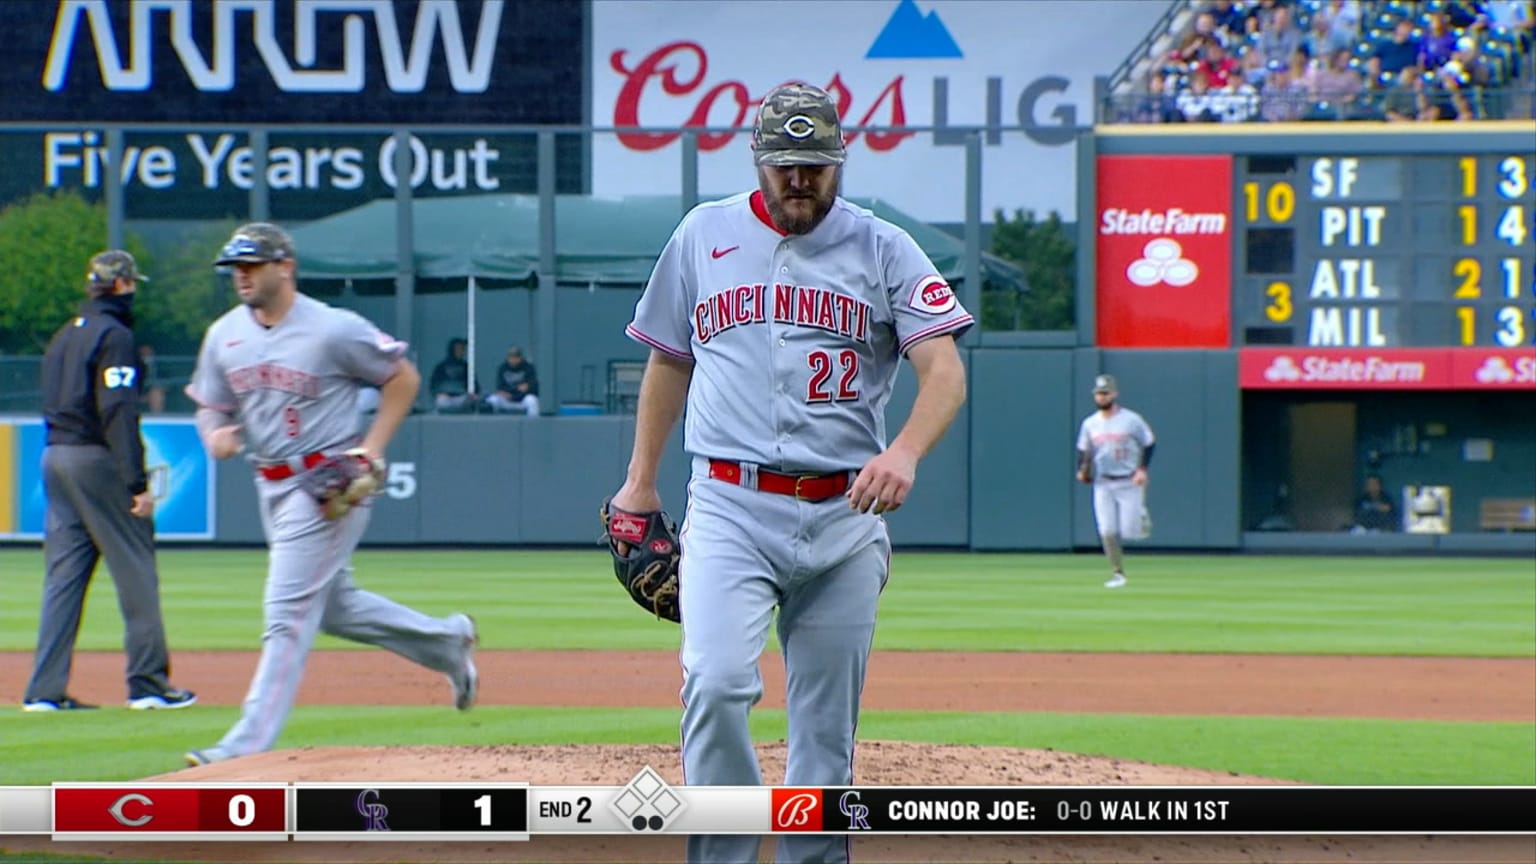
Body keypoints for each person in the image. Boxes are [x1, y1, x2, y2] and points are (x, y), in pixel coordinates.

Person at [607, 83, 972, 864]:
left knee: (823, 722)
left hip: (845, 514)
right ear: (758, 161)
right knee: (713, 681)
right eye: (784, 165)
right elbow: (668, 361)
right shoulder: (703, 236)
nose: (799, 179)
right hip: (732, 506)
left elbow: (943, 369)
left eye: (814, 164)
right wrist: (640, 481)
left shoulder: (884, 247)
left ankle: (812, 859)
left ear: (838, 162)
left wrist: (903, 449)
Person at [181, 223, 478, 766]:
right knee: (336, 608)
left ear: (285, 267)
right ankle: (447, 643)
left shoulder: (331, 329)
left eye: (252, 264)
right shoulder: (224, 334)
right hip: (269, 481)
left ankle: (242, 746)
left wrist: (372, 449)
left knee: (286, 611)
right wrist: (213, 433)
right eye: (236, 267)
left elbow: (401, 377)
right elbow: (211, 403)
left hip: (327, 485)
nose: (241, 275)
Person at [23, 250, 196, 712]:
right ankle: (149, 684)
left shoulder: (64, 335)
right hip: (94, 457)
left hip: (54, 455)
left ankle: (44, 691)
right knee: (135, 568)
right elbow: (118, 408)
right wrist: (135, 481)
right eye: (130, 282)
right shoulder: (114, 335)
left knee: (64, 578)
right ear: (120, 285)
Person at [1077, 374, 1156, 589]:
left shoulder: (1130, 419)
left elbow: (1149, 442)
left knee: (1130, 531)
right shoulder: (1090, 423)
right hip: (1103, 482)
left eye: (1105, 393)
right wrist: (1082, 470)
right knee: (1107, 531)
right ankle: (1118, 573)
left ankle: (1140, 515)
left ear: (1114, 394)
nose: (1101, 397)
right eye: (1098, 394)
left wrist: (1142, 469)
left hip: (1129, 480)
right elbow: (1084, 450)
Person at [484, 345, 540, 416]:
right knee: (492, 400)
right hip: (507, 400)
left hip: (522, 400)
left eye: (516, 357)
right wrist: (510, 392)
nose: (513, 360)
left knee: (532, 400)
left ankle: (533, 425)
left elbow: (533, 387)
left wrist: (525, 388)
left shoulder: (528, 368)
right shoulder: (503, 368)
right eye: (511, 357)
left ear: (521, 358)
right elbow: (500, 388)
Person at [428, 337, 479, 413]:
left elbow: (475, 386)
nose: (462, 351)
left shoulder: (466, 367)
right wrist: (438, 394)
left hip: (461, 399)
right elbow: (433, 385)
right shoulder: (441, 367)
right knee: (441, 401)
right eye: (459, 349)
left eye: (463, 349)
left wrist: (472, 395)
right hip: (445, 399)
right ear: (452, 350)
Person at [137, 343, 166, 413]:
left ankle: (157, 419)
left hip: (151, 392)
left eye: (148, 354)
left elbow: (167, 385)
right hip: (135, 393)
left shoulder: (161, 367)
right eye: (143, 354)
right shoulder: (133, 367)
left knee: (156, 394)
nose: (146, 357)